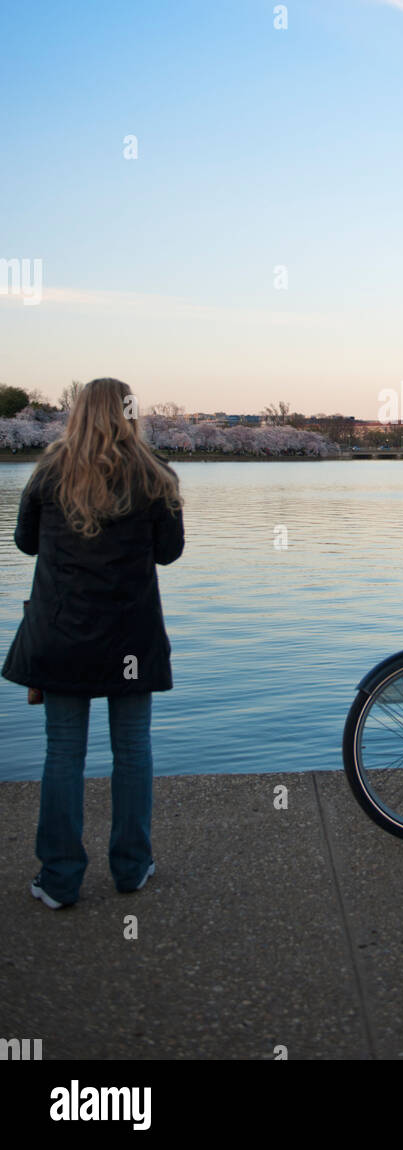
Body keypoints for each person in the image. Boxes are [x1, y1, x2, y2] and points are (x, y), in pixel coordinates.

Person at [2, 377, 184, 909]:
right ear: (132, 414)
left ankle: (59, 879)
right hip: (129, 637)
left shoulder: (48, 473)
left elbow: (24, 543)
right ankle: (130, 868)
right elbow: (169, 554)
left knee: (63, 753)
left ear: (77, 412)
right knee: (132, 752)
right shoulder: (155, 476)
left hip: (62, 635)